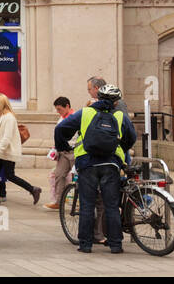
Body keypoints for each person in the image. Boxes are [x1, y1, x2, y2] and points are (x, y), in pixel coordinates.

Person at [54, 83, 136, 253]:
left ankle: (85, 245)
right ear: (116, 102)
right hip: (111, 163)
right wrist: (120, 148)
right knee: (111, 205)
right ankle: (115, 245)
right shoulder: (120, 115)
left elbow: (61, 128)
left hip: (87, 163)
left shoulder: (85, 112)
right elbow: (132, 137)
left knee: (87, 204)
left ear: (98, 98)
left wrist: (62, 146)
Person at [0, 94, 42, 205]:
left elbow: (7, 137)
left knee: (9, 175)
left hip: (6, 152)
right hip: (3, 152)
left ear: (3, 104)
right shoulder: (3, 117)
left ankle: (33, 189)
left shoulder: (9, 117)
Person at [45, 96, 76, 210]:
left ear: (67, 106)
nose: (58, 112)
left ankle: (80, 202)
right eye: (57, 110)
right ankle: (58, 201)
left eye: (59, 109)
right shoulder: (62, 118)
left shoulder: (74, 117)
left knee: (77, 177)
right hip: (63, 151)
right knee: (59, 175)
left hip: (73, 150)